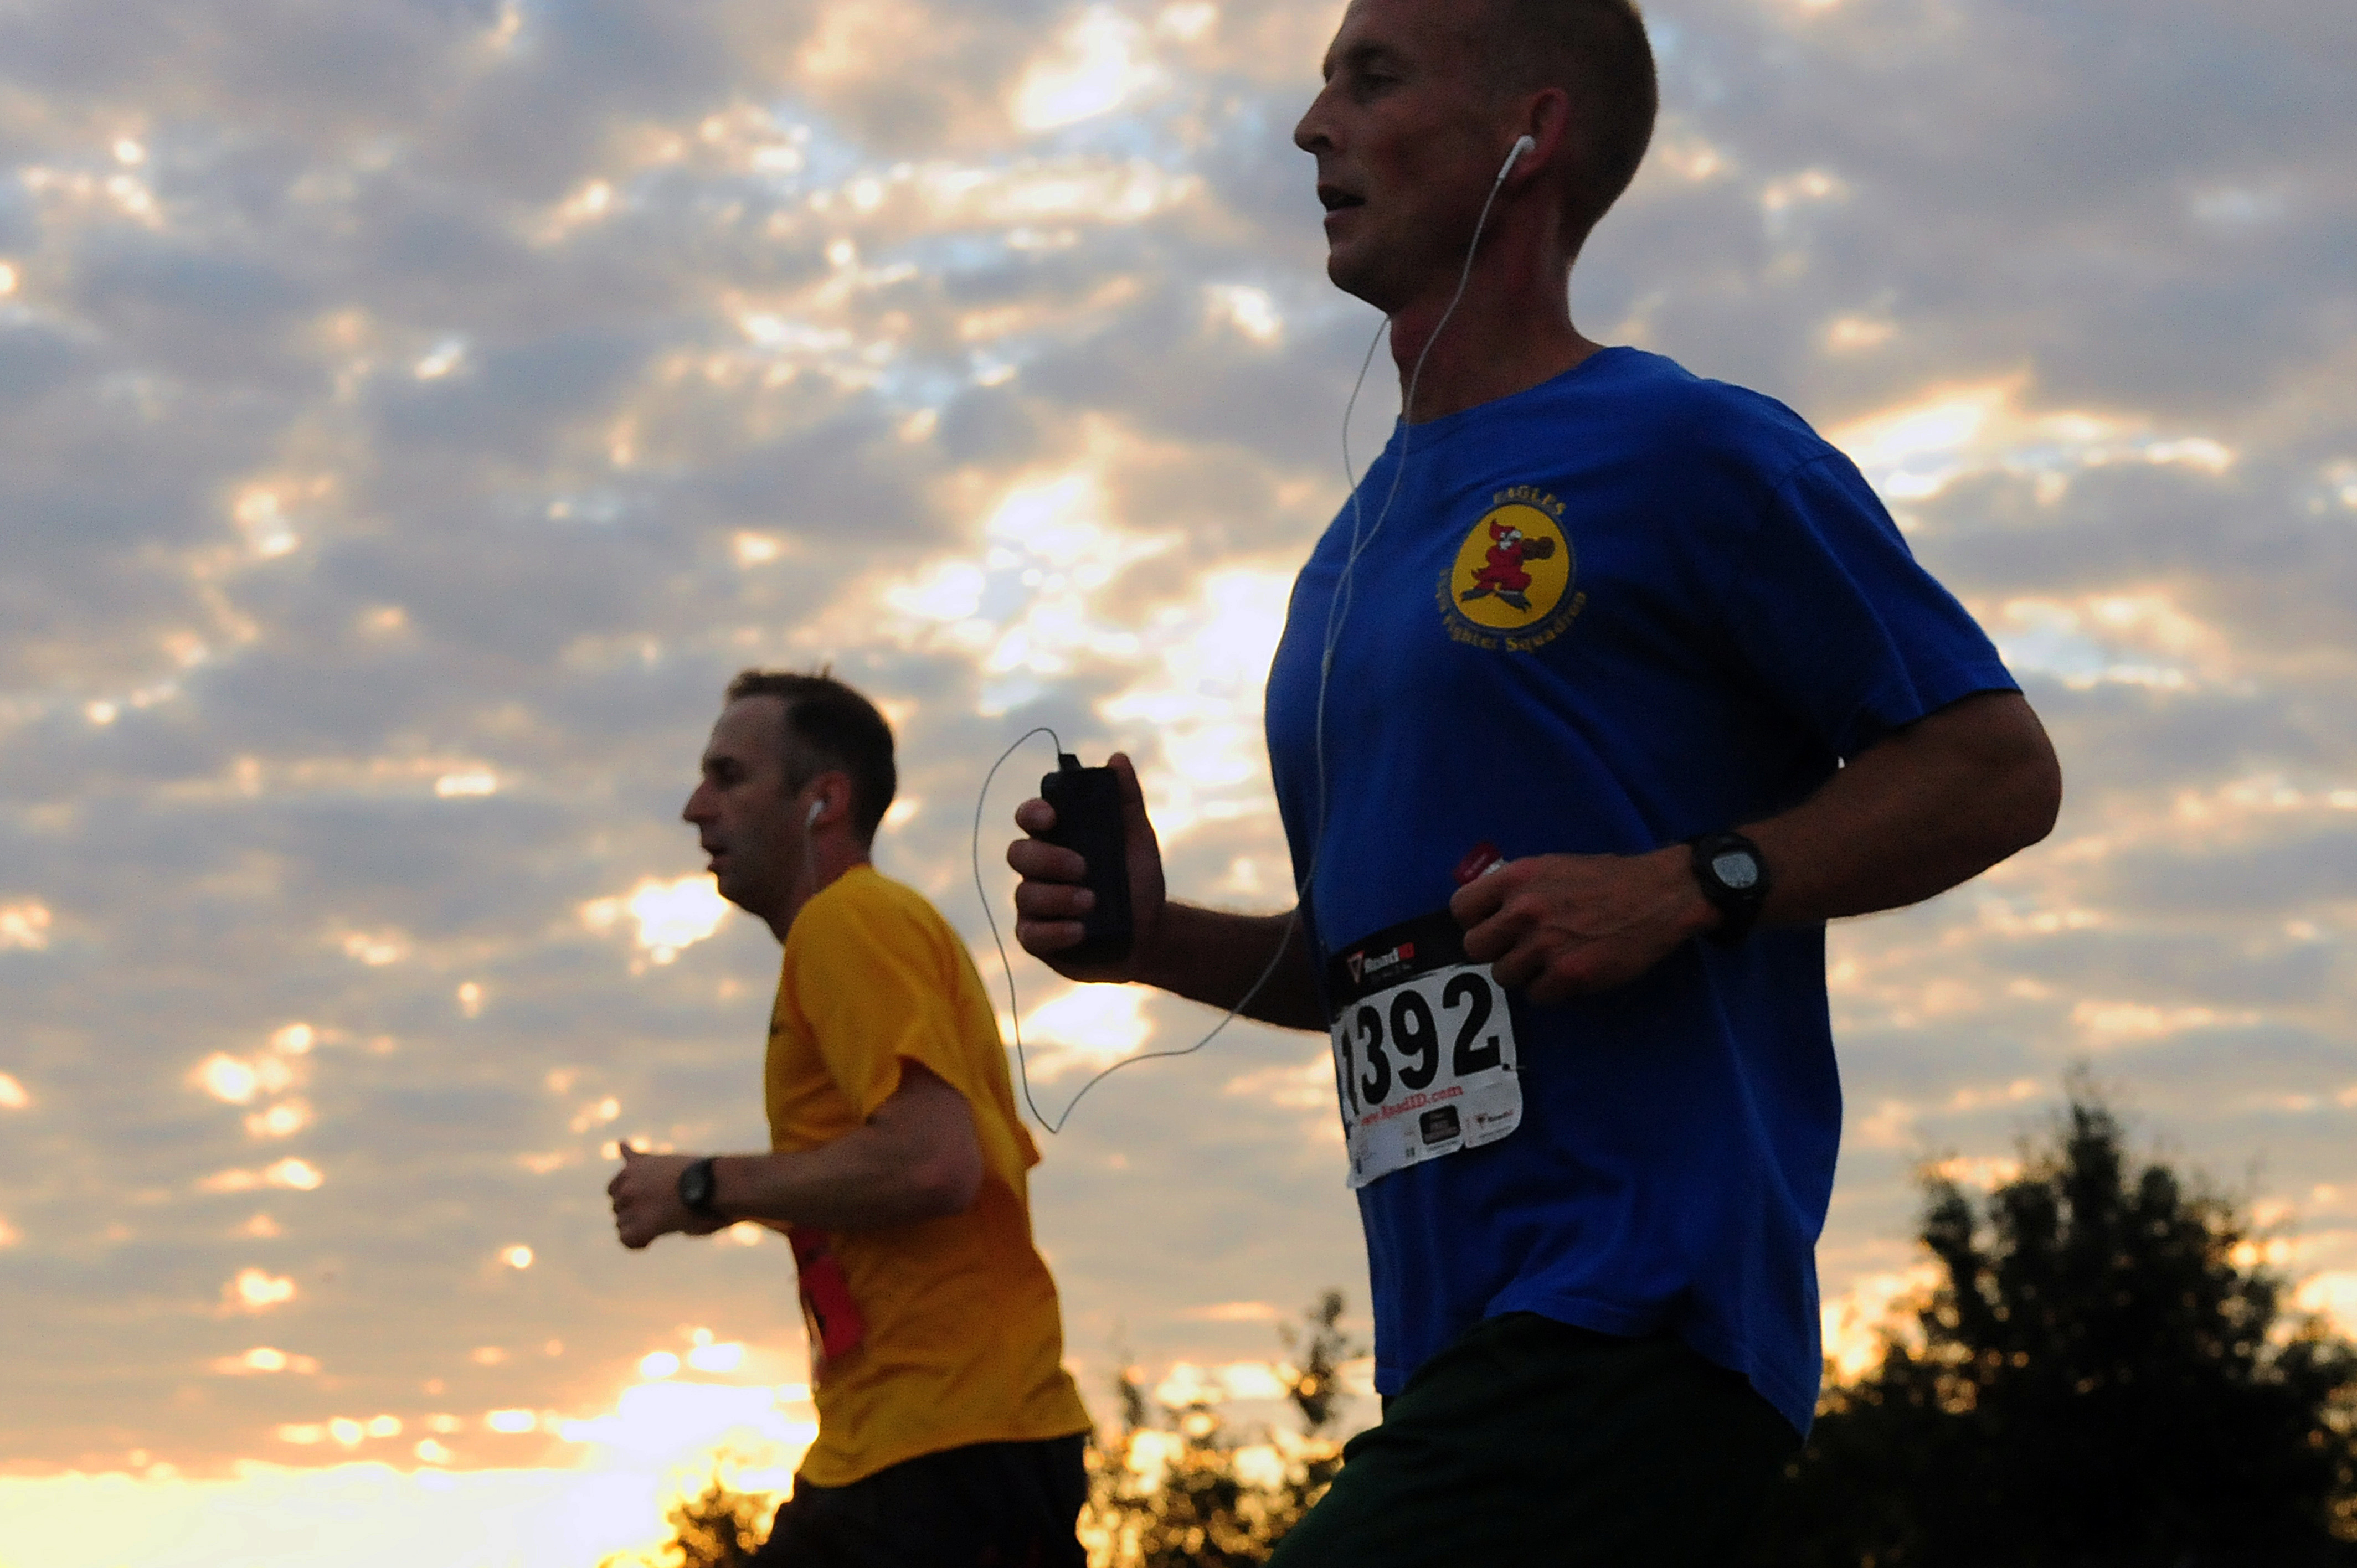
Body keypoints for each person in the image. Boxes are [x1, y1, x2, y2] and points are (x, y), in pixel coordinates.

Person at [1006, 0, 2064, 1561]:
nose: (1312, 129)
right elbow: (1384, 963)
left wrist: (1690, 884)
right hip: (1449, 1350)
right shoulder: (1341, 563)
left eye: (1371, 80)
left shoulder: (1691, 450)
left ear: (1532, 135)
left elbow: (1995, 767)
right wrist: (1158, 937)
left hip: (1644, 1309)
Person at [611, 670, 1092, 1568]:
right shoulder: (863, 930)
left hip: (941, 1451)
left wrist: (702, 1185)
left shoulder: (850, 922)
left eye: (728, 776)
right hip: (923, 1447)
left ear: (821, 801)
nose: (693, 807)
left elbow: (932, 1166)